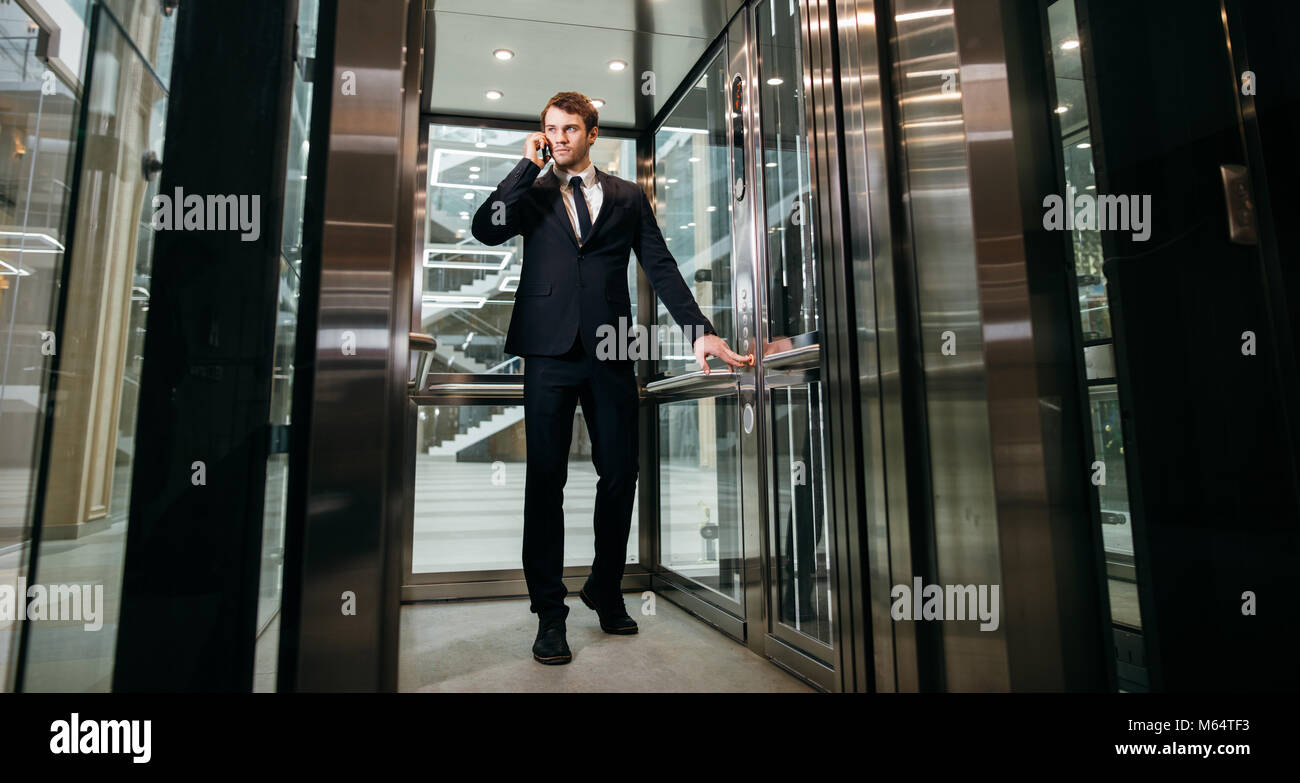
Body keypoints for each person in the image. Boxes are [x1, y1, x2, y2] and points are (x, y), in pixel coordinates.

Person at [472, 91, 749, 665]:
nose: (561, 137)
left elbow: (661, 263)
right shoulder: (533, 193)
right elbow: (485, 229)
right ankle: (550, 613)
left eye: (570, 128)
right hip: (548, 351)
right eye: (551, 128)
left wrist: (698, 330)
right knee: (545, 480)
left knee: (621, 471)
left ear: (592, 133)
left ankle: (604, 585)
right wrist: (527, 165)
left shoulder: (626, 195)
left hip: (611, 348)